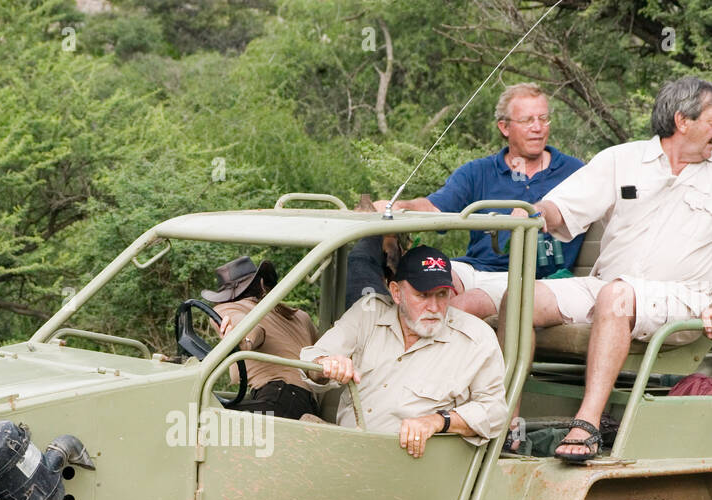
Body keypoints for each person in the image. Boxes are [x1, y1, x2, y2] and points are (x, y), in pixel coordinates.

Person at [516, 76, 712, 462]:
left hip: (681, 297)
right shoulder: (621, 159)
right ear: (682, 121)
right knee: (519, 298)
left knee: (617, 295)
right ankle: (508, 423)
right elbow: (560, 208)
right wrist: (536, 213)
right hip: (609, 285)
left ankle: (588, 422)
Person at [373, 83, 585, 318]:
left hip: (530, 280)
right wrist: (402, 206)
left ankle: (446, 352)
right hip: (474, 269)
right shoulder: (478, 171)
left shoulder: (575, 172)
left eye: (543, 119)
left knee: (460, 308)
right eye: (527, 121)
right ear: (504, 127)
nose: (537, 128)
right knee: (426, 281)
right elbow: (435, 206)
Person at [300, 246, 508, 457]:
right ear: (397, 293)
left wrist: (439, 421)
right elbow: (311, 359)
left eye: (442, 295)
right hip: (345, 453)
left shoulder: (475, 337)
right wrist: (327, 363)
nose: (434, 307)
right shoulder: (368, 313)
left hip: (417, 466)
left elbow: (495, 411)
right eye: (423, 295)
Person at [203, 256, 321, 420]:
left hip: (279, 398)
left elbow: (251, 331)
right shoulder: (301, 316)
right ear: (261, 284)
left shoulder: (227, 308)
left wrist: (241, 339)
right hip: (307, 405)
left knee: (200, 419)